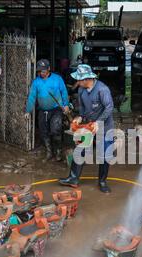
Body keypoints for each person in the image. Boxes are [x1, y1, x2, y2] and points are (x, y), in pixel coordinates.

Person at [59, 64, 114, 193]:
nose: (77, 82)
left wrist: (98, 122)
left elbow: (109, 108)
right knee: (80, 151)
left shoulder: (102, 89)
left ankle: (102, 181)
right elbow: (83, 110)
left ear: (87, 79)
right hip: (88, 126)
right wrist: (79, 118)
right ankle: (73, 178)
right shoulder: (81, 90)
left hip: (105, 127)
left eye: (79, 79)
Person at [25, 59, 69, 161]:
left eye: (43, 71)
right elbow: (32, 97)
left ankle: (58, 152)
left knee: (55, 129)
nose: (41, 73)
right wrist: (28, 110)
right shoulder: (36, 82)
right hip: (42, 110)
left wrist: (66, 105)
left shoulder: (57, 79)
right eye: (39, 71)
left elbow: (64, 92)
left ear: (49, 69)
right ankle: (49, 152)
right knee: (43, 132)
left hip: (56, 109)